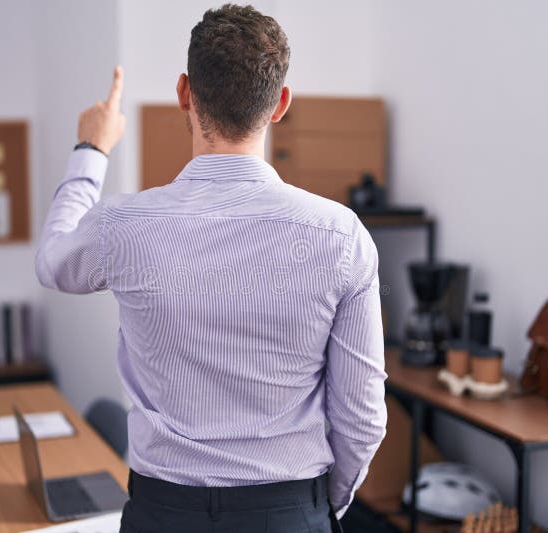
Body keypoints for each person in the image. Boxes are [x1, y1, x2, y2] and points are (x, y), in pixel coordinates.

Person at [36, 4, 386, 532]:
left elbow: (52, 263)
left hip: (162, 514)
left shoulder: (124, 225)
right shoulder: (341, 237)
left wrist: (92, 148)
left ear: (184, 93)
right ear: (280, 105)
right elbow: (362, 419)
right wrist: (315, 507)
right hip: (290, 511)